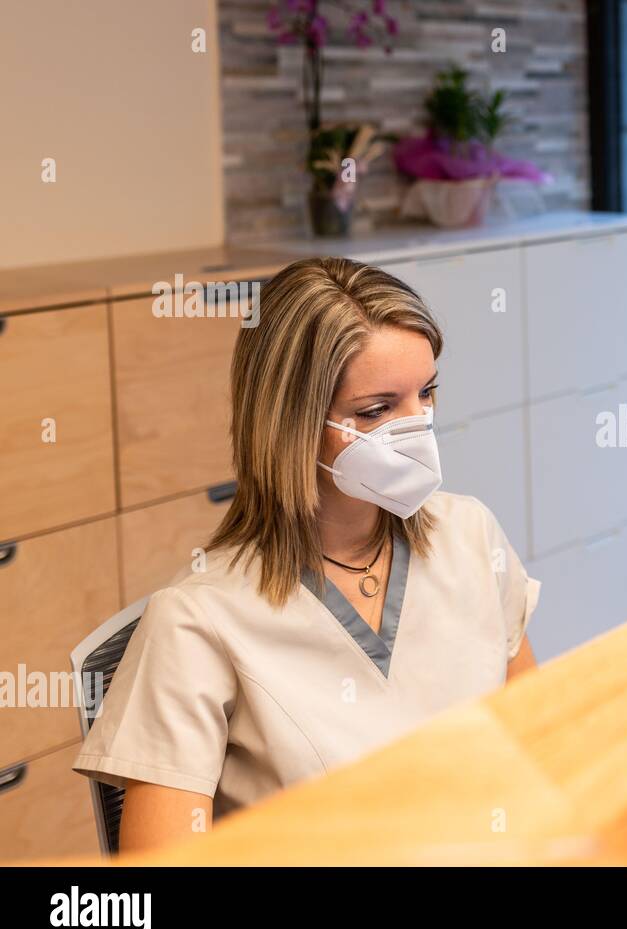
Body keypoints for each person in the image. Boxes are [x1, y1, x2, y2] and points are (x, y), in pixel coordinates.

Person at [74, 257, 539, 852]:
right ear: (290, 423)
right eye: (376, 410)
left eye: (427, 394)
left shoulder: (470, 536)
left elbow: (538, 745)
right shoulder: (196, 623)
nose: (417, 427)